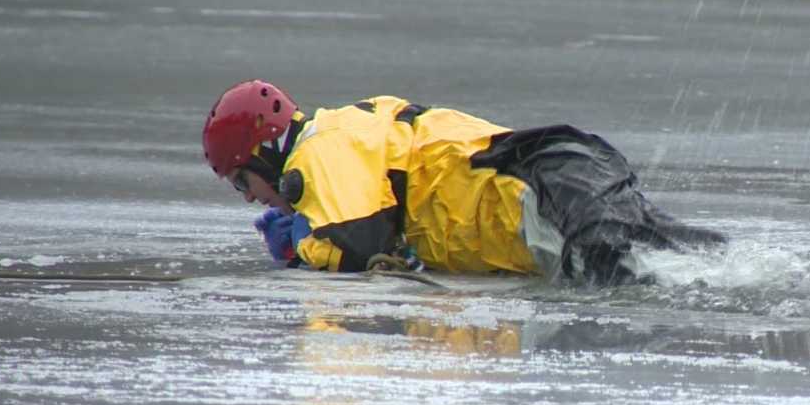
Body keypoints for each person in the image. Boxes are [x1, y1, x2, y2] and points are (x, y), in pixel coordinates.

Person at [202, 79, 726, 284]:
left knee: (665, 292)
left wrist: (299, 244)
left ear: (266, 151)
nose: (249, 196)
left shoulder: (318, 151)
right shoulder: (347, 131)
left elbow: (353, 241)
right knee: (712, 270)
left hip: (537, 199)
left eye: (242, 181)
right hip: (564, 171)